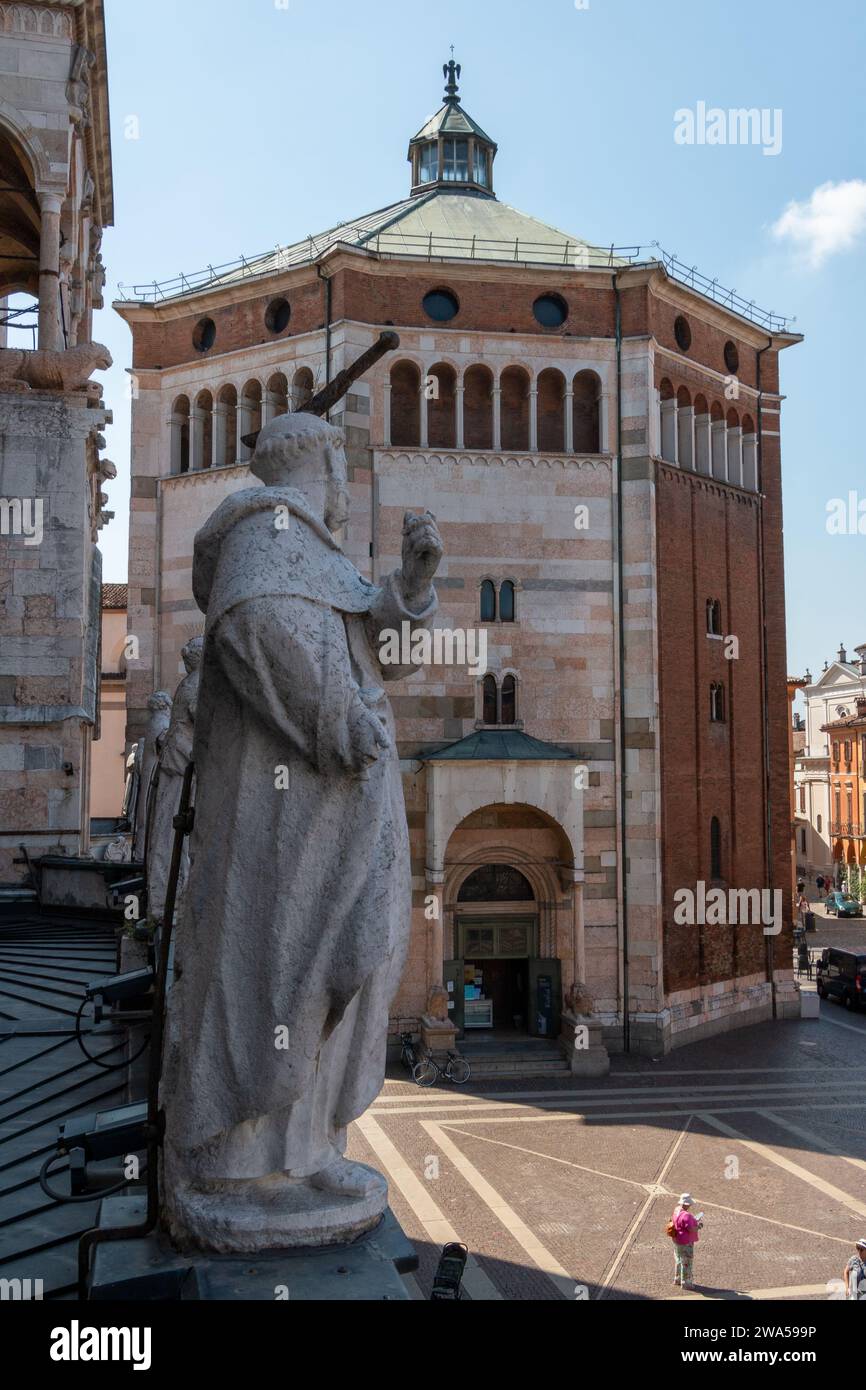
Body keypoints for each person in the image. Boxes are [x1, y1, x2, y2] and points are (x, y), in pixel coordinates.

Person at [670, 1192, 702, 1289]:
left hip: (676, 1239)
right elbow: (691, 1229)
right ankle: (686, 1283)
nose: (690, 1206)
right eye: (689, 1204)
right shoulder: (687, 1215)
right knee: (687, 1261)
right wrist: (699, 1226)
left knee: (678, 1259)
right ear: (686, 1204)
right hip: (685, 1241)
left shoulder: (676, 1210)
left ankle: (677, 1279)